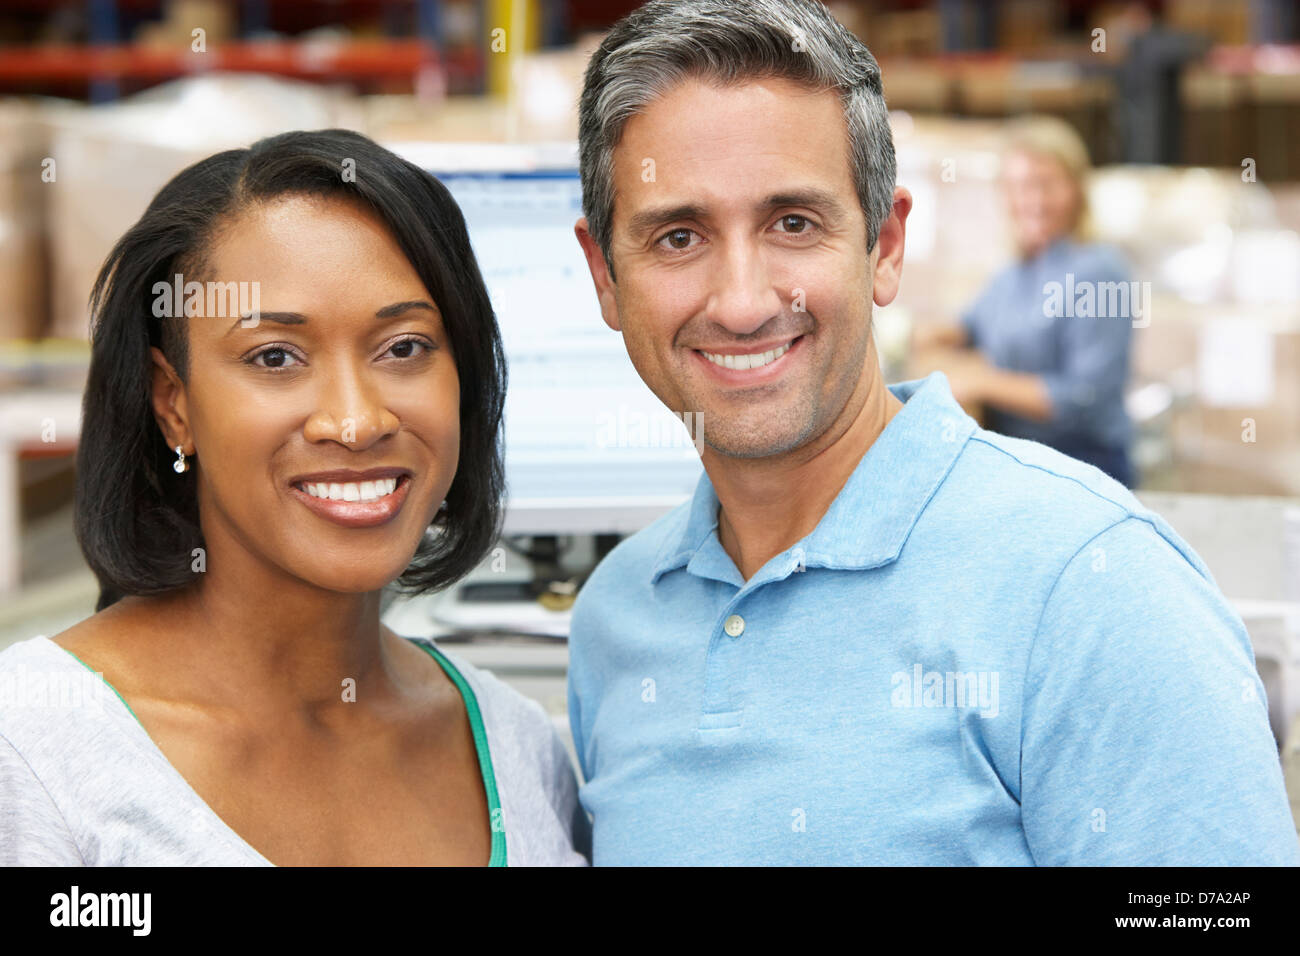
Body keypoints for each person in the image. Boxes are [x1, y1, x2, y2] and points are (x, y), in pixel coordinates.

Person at [567, 0, 1299, 865]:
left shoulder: (1095, 587)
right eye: (678, 236)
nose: (742, 301)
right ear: (605, 277)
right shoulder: (615, 619)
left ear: (883, 246)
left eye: (793, 224)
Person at [0, 129, 589, 866]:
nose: (356, 421)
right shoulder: (30, 751)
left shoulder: (517, 750)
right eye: (275, 357)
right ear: (173, 403)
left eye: (404, 347)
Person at [914, 115, 1137, 487]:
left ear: (1077, 188)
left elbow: (1085, 397)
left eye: (1044, 185)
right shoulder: (1016, 272)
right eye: (1017, 187)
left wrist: (983, 382)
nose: (1031, 201)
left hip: (1083, 467)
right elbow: (968, 327)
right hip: (1025, 460)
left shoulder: (1099, 271)